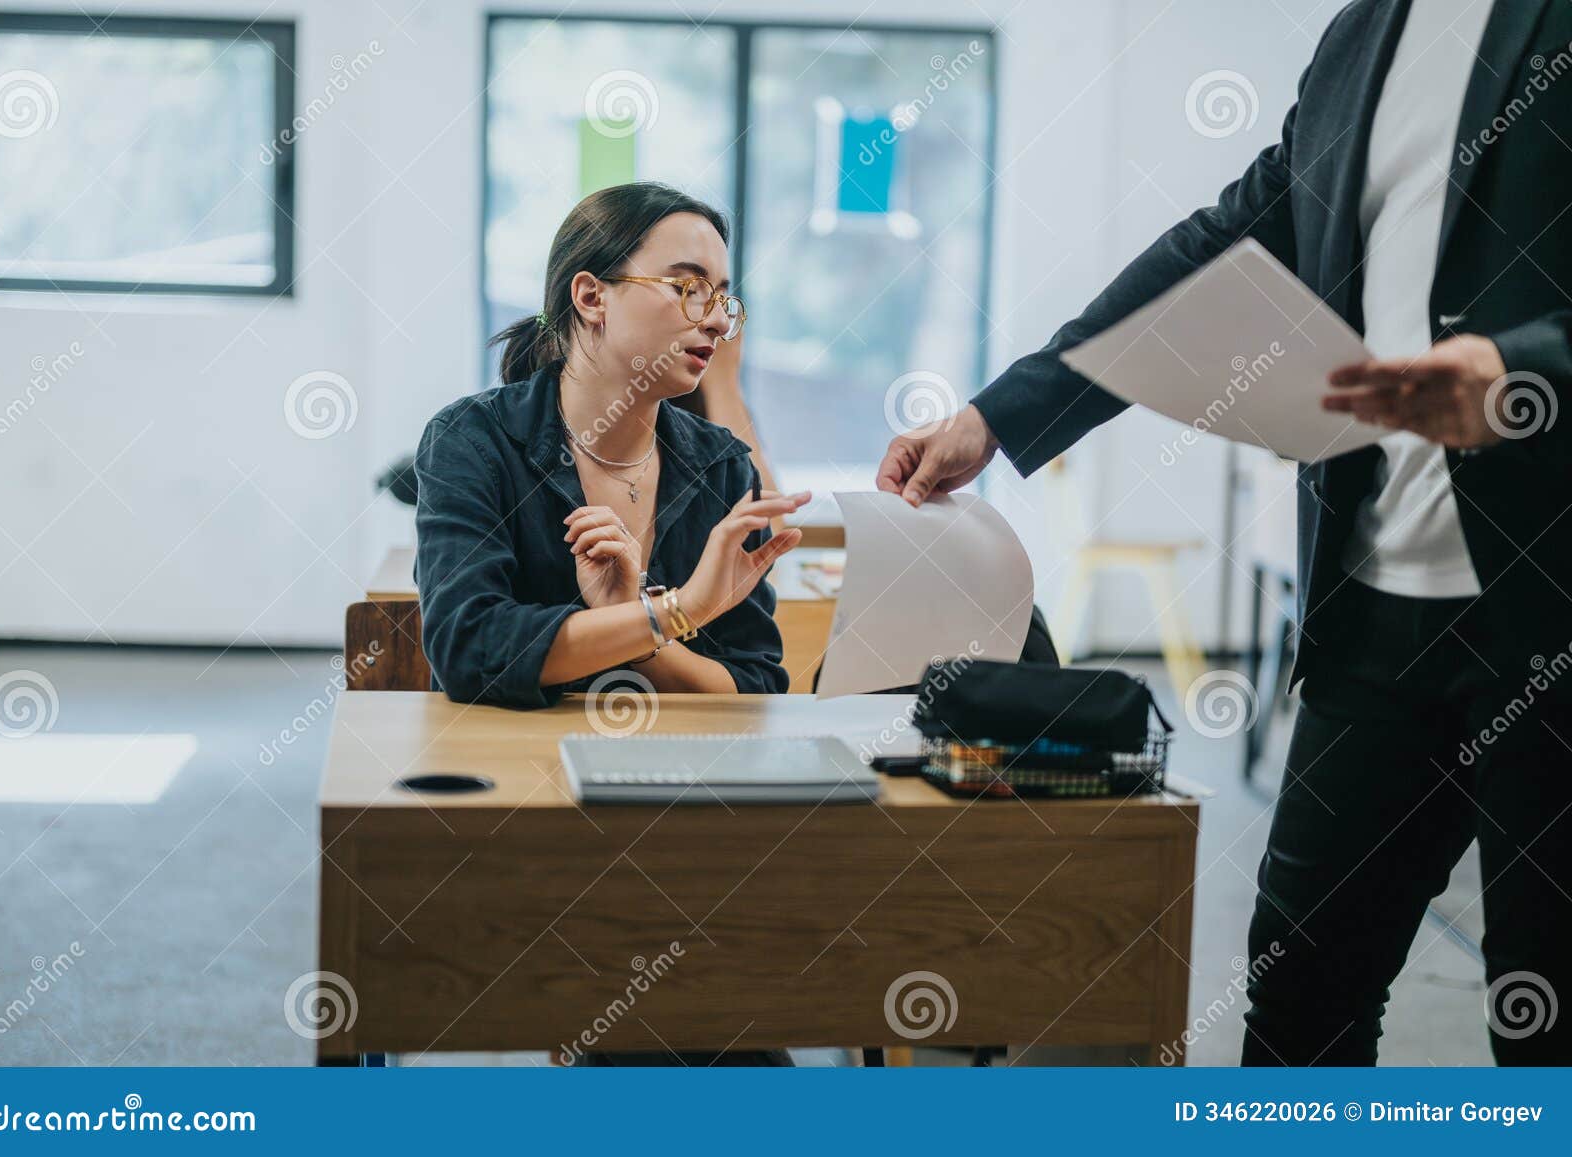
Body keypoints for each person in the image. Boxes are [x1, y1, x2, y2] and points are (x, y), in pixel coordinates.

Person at [877, 0, 1572, 1065]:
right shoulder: (1359, 36)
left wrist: (1521, 370)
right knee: (1297, 1005)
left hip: (1549, 609)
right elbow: (1224, 240)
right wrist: (999, 415)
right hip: (1373, 607)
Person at [415, 181, 809, 710]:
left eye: (721, 297)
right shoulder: (473, 440)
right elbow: (470, 651)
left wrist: (635, 628)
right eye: (687, 288)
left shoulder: (724, 469)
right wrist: (676, 612)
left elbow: (754, 687)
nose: (716, 320)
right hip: (512, 778)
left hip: (681, 780)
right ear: (592, 296)